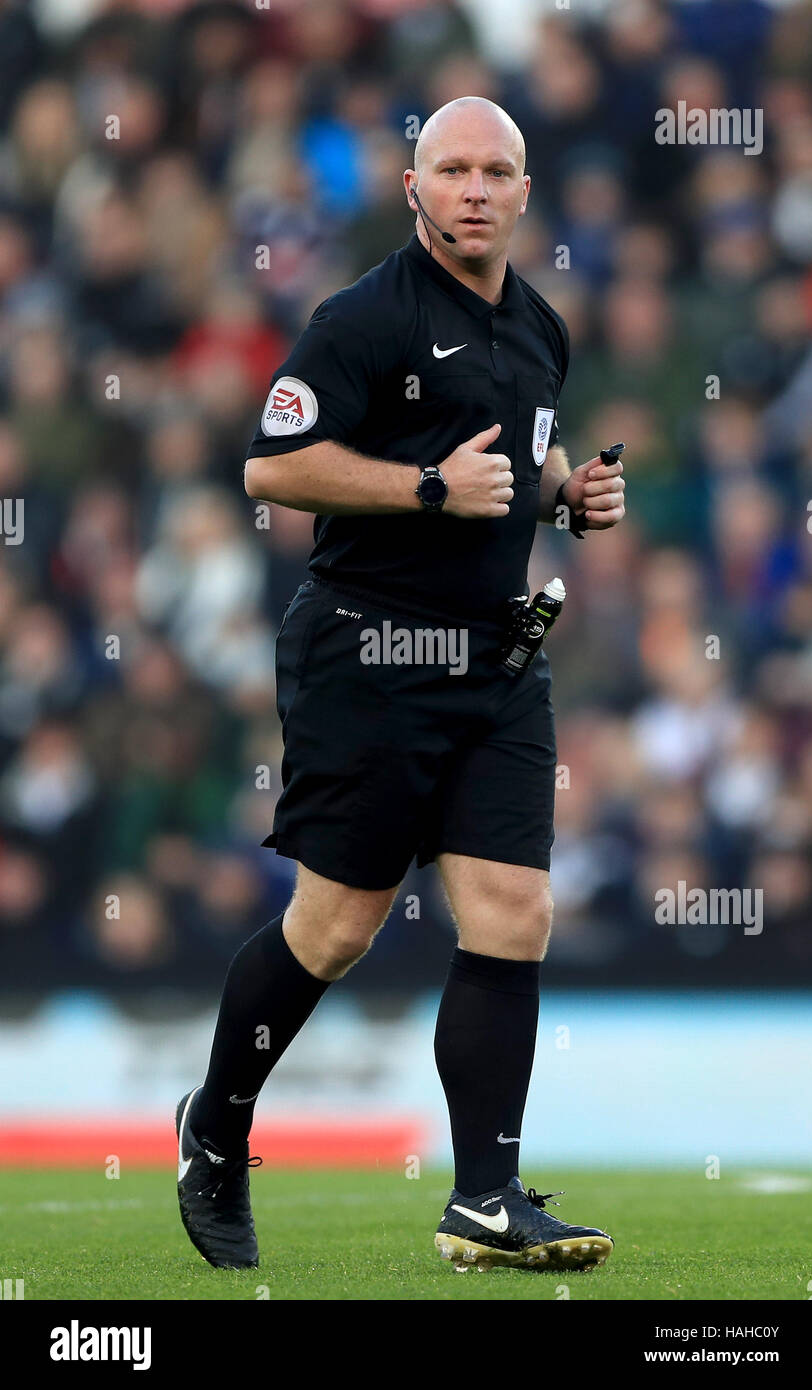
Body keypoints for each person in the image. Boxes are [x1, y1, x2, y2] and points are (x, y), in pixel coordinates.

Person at [176, 97, 625, 1274]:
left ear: (527, 192)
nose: (475, 188)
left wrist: (564, 495)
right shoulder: (362, 318)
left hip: (496, 659)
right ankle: (215, 1127)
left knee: (514, 912)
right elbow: (270, 466)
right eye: (452, 169)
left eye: (498, 170)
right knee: (334, 927)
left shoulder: (540, 328)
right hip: (367, 652)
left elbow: (515, 464)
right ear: (412, 188)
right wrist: (426, 488)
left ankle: (482, 1195)